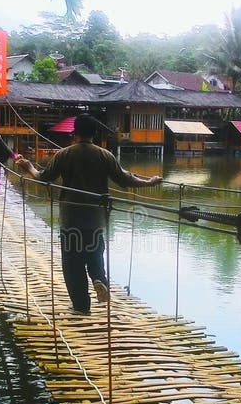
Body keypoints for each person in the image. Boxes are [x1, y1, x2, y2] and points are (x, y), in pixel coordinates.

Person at [16, 113, 162, 314]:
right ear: (94, 133)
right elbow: (125, 179)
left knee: (73, 264)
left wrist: (29, 167)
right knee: (94, 255)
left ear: (74, 133)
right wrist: (150, 182)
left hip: (71, 220)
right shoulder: (105, 155)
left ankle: (81, 306)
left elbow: (44, 178)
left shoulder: (64, 154)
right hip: (95, 220)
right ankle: (99, 280)